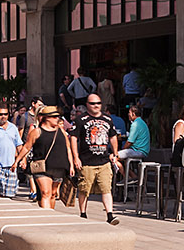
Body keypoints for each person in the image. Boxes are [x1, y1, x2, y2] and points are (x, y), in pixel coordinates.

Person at [72, 94, 122, 224]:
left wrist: (115, 153)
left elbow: (113, 136)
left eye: (98, 103)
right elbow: (73, 138)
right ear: (87, 105)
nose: (96, 106)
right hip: (87, 161)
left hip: (104, 160)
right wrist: (76, 157)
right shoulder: (80, 119)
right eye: (93, 103)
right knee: (84, 188)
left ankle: (110, 215)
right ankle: (83, 213)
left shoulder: (107, 119)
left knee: (106, 188)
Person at [25, 106, 74, 210]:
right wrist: (18, 161)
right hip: (42, 167)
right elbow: (27, 147)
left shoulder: (60, 131)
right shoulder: (37, 131)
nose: (58, 119)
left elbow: (68, 148)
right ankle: (46, 215)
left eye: (58, 117)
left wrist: (71, 165)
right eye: (55, 116)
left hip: (59, 166)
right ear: (47, 118)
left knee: (52, 193)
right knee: (45, 193)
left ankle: (50, 213)